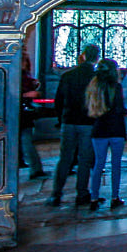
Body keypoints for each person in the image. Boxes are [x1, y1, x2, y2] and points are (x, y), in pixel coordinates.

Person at [49, 44, 100, 207]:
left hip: (69, 121)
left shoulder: (68, 76)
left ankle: (56, 194)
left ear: (83, 55)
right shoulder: (96, 77)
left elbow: (59, 101)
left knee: (65, 159)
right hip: (88, 122)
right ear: (96, 58)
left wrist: (61, 118)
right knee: (84, 160)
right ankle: (82, 194)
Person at [87, 58, 127, 210]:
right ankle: (115, 197)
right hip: (116, 129)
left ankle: (94, 198)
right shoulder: (116, 87)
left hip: (99, 129)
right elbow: (119, 108)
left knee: (98, 164)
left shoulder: (94, 87)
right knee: (116, 165)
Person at [19, 53, 46, 178]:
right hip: (20, 114)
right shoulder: (20, 77)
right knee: (24, 142)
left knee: (26, 141)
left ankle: (35, 168)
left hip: (23, 115)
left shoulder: (24, 77)